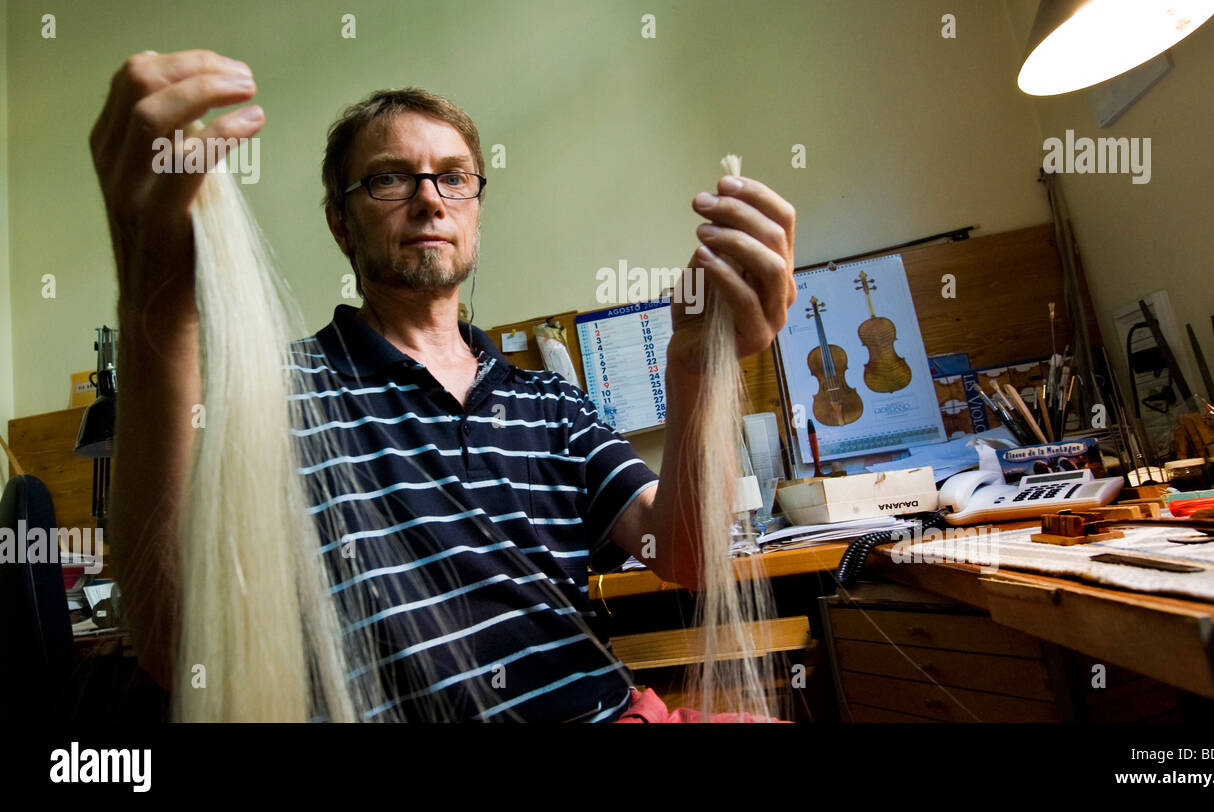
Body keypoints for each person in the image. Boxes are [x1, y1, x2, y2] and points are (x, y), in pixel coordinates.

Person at [91, 49, 797, 721]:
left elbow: (685, 557)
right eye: (391, 179)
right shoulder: (273, 396)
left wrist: (698, 363)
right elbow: (175, 639)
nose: (430, 200)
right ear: (341, 223)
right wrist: (156, 294)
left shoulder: (551, 404)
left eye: (454, 177)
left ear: (476, 209)